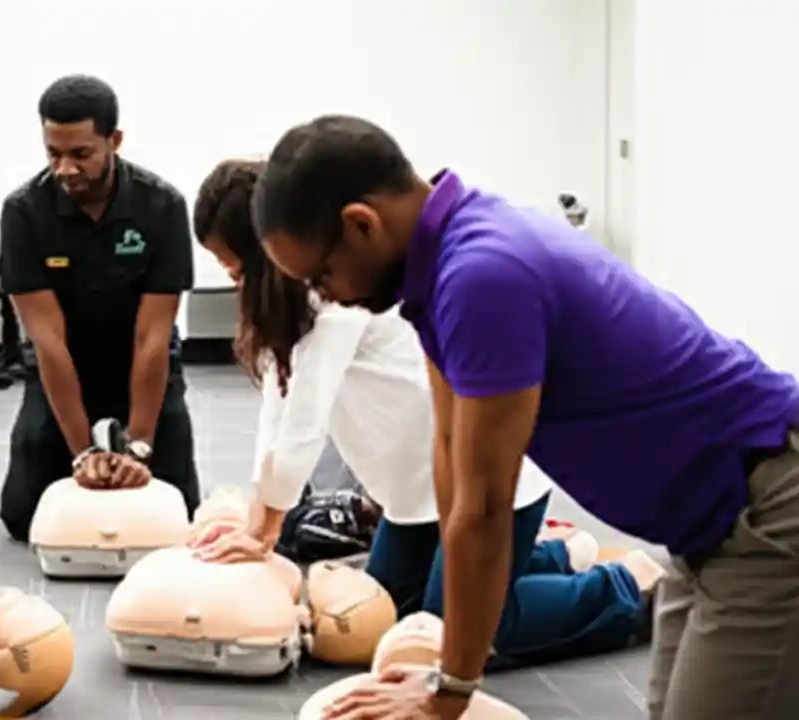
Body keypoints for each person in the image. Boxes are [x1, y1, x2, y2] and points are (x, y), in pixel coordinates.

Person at [253, 115, 799, 720]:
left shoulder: (482, 275)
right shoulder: (441, 267)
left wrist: (450, 689)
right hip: (709, 522)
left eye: (321, 275)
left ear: (362, 224)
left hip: (769, 508)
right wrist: (446, 660)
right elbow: (450, 452)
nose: (326, 295)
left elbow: (486, 505)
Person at [187, 158, 654, 670]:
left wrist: (264, 529)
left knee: (455, 632)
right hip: (413, 495)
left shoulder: (334, 297)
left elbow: (305, 421)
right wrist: (258, 513)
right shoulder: (288, 308)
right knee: (386, 617)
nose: (236, 285)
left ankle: (624, 588)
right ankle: (555, 556)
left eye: (238, 271)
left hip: (489, 486)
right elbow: (278, 406)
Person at [0, 74, 200, 541]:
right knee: (24, 516)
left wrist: (139, 447)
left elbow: (152, 337)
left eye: (81, 154)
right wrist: (83, 454)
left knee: (178, 513)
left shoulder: (162, 207)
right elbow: (48, 342)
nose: (65, 168)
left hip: (142, 364)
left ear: (115, 141)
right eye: (53, 153)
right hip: (65, 366)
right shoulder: (24, 212)